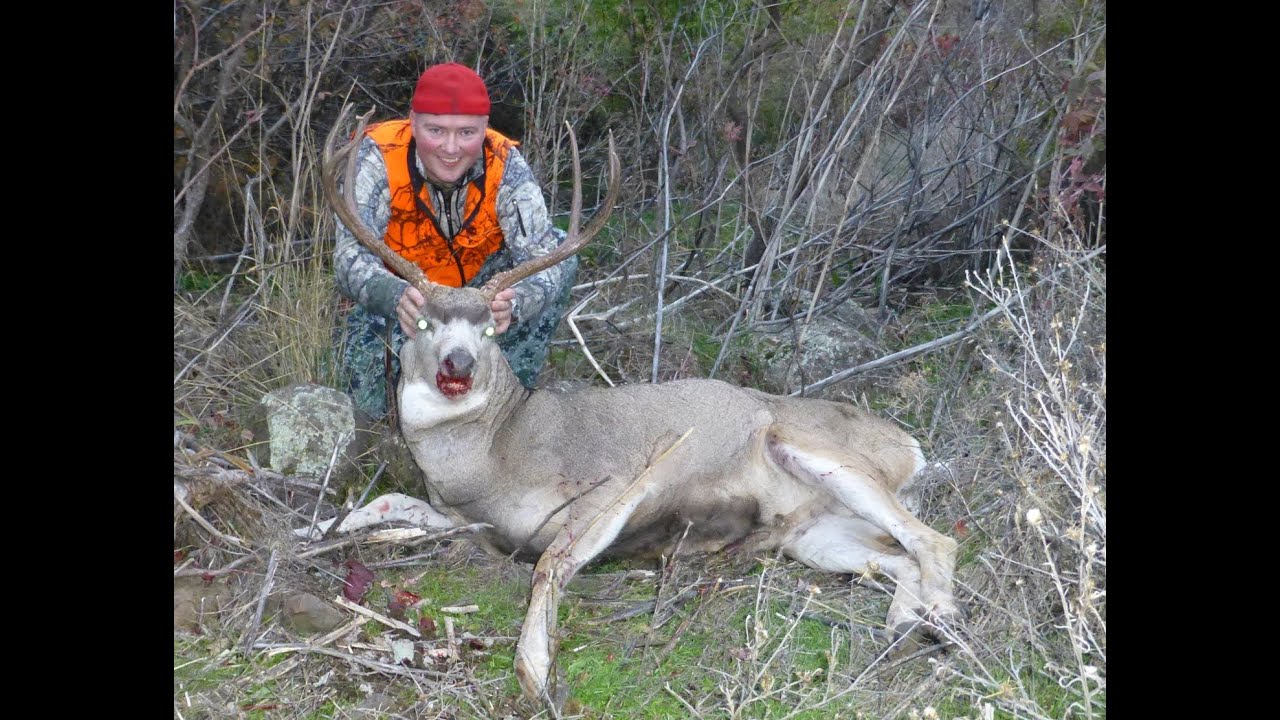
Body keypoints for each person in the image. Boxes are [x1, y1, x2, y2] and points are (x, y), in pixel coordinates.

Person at [333, 62, 578, 420]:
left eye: (466, 133)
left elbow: (547, 254)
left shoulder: (504, 163)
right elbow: (349, 258)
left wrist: (517, 302)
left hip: (479, 305)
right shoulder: (376, 158)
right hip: (409, 305)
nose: (451, 148)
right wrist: (392, 295)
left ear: (484, 129)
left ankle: (506, 407)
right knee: (370, 415)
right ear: (412, 122)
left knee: (561, 250)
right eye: (435, 130)